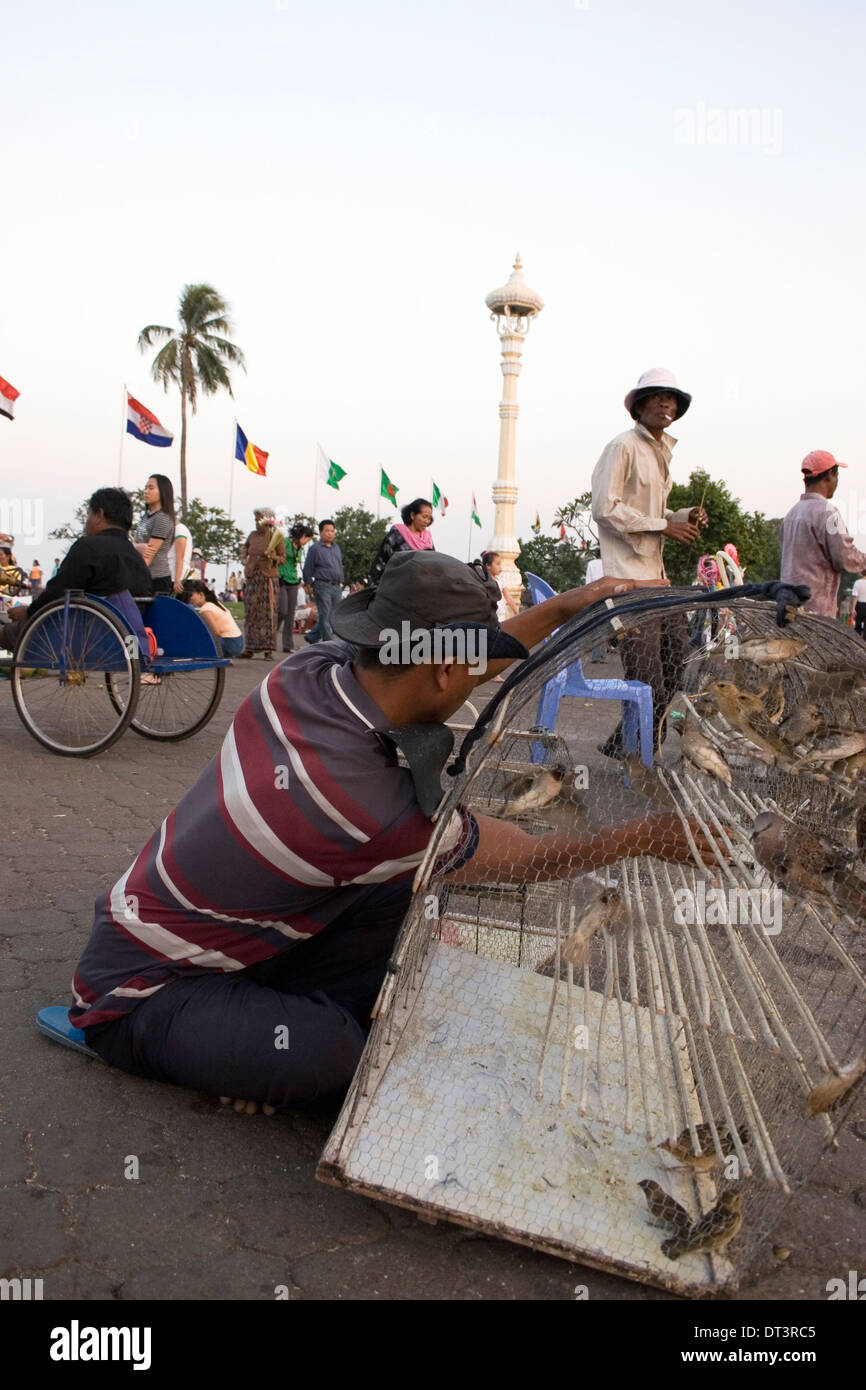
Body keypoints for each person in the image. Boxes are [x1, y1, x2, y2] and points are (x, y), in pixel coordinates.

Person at [66, 551, 707, 1114]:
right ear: (444, 673)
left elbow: (452, 663)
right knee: (335, 1053)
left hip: (197, 927)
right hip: (142, 990)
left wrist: (566, 607)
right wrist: (641, 837)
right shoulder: (360, 807)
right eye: (473, 664)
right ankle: (246, 1045)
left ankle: (261, 1025)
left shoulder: (308, 673)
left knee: (404, 902)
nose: (479, 675)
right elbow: (522, 858)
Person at [591, 368, 707, 758]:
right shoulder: (623, 446)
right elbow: (605, 508)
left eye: (671, 399)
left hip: (656, 579)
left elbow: (656, 511)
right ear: (638, 406)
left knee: (679, 665)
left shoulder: (660, 454)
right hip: (626, 581)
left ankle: (628, 744)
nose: (665, 404)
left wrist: (683, 516)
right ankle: (638, 757)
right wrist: (663, 526)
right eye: (656, 397)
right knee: (647, 679)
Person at [0, 488, 151, 649]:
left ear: (99, 515)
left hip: (82, 635)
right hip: (127, 640)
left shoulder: (88, 547)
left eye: (89, 515)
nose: (87, 521)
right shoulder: (136, 556)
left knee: (5, 633)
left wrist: (29, 611)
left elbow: (57, 591)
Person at [779, 451, 866, 619]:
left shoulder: (791, 515)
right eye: (836, 476)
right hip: (816, 613)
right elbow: (844, 556)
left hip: (788, 609)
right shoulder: (826, 513)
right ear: (829, 476)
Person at [239, 508, 286, 659]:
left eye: (259, 520)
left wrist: (274, 556)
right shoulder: (252, 536)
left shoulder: (276, 537)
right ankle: (250, 648)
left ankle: (268, 649)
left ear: (267, 521)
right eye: (255, 520)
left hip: (268, 578)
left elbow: (283, 558)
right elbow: (245, 548)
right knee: (251, 613)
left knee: (267, 614)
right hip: (253, 577)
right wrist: (244, 557)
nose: (256, 524)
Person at [368, 498, 434, 587]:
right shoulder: (397, 534)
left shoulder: (428, 539)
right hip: (395, 588)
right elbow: (381, 561)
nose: (427, 521)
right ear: (413, 515)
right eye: (424, 517)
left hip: (421, 590)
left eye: (429, 518)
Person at [302, 518, 344, 644]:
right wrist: (308, 583)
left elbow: (339, 565)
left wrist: (341, 581)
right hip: (322, 585)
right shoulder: (315, 548)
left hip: (336, 586)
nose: (330, 533)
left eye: (332, 531)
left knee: (333, 616)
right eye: (327, 531)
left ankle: (312, 637)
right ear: (321, 532)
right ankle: (329, 644)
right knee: (325, 616)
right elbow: (308, 567)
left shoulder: (336, 548)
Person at [134, 474, 176, 596]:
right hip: (144, 576)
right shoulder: (145, 517)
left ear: (162, 492)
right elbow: (134, 542)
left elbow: (148, 555)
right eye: (145, 487)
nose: (146, 491)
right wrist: (137, 547)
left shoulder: (162, 518)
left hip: (156, 579)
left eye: (151, 488)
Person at [182, 579, 243, 658]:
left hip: (230, 643)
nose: (190, 598)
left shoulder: (206, 609)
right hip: (238, 641)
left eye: (191, 595)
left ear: (201, 594)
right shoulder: (214, 604)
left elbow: (216, 632)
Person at [277, 523, 313, 654]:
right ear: (302, 536)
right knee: (282, 610)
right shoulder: (284, 542)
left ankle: (288, 645)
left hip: (293, 580)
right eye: (306, 539)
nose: (306, 542)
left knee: (290, 614)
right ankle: (271, 636)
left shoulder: (298, 547)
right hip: (281, 578)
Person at [584, 553, 606, 662]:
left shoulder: (591, 564)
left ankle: (597, 654)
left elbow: (588, 582)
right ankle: (600, 655)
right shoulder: (608, 564)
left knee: (596, 626)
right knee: (604, 625)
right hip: (607, 596)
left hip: (594, 597)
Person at [168, 519, 192, 595]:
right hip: (171, 576)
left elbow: (180, 556)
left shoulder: (179, 529)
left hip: (178, 578)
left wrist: (177, 579)